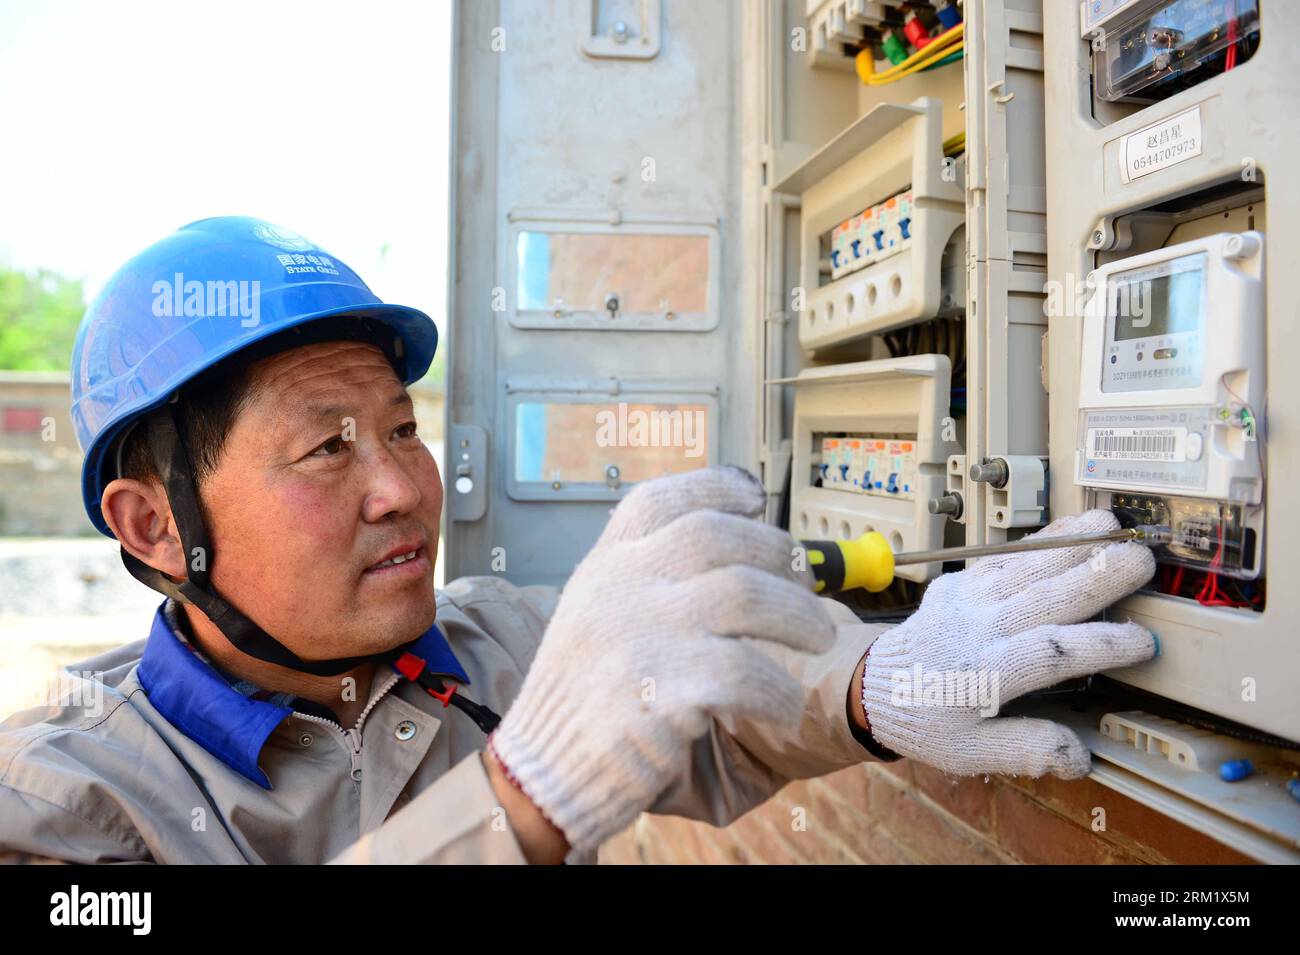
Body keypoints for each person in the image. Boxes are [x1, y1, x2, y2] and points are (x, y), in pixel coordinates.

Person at [0, 217, 1157, 864]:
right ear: (155, 526)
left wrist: (870, 687)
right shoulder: (59, 791)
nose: (401, 487)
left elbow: (714, 712)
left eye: (403, 431)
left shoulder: (493, 643)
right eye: (326, 449)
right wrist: (519, 802)